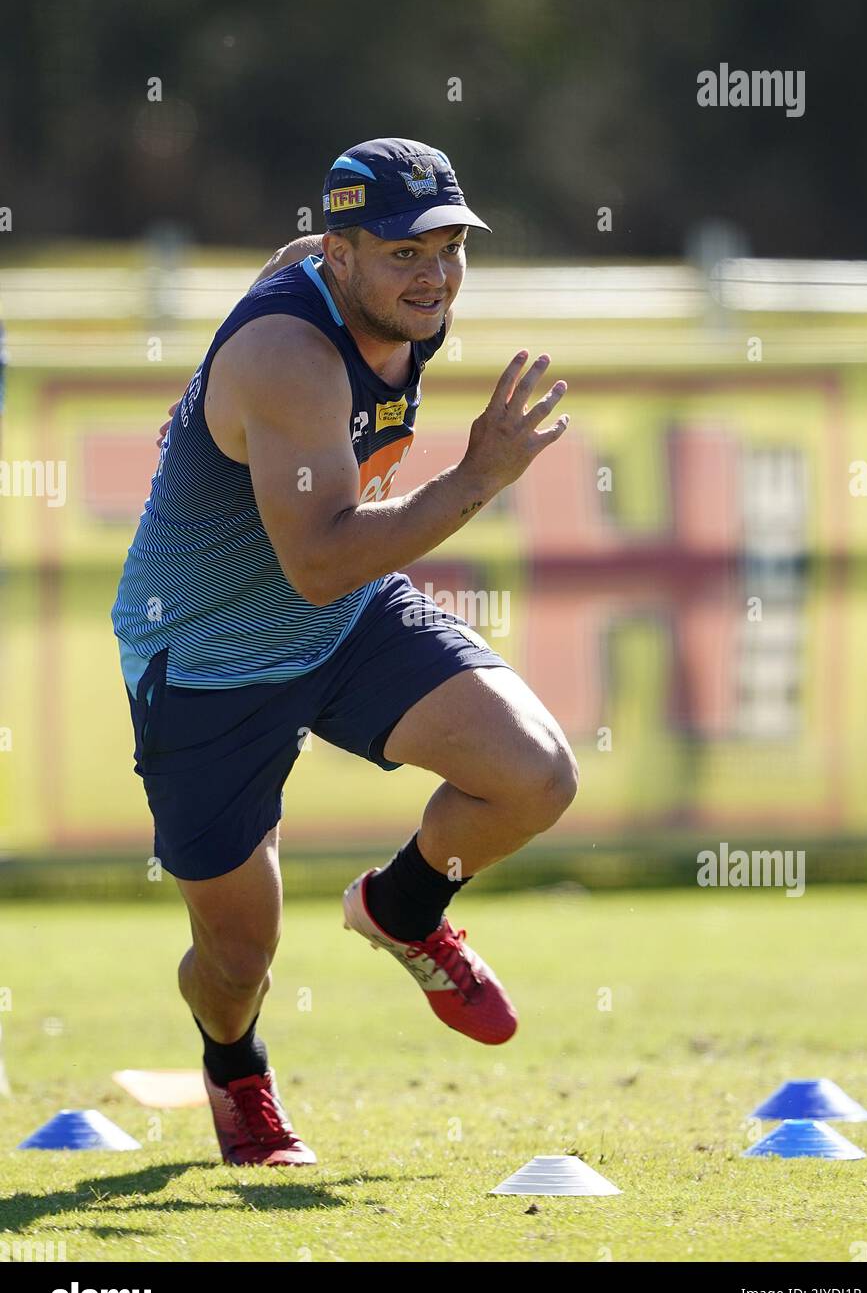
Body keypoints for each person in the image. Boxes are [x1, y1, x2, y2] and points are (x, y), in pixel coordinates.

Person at [111, 137, 578, 1166]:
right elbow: (319, 557)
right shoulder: (290, 354)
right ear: (342, 254)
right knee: (238, 959)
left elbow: (327, 581)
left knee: (534, 775)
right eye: (407, 253)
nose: (437, 275)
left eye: (451, 247)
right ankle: (235, 1067)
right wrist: (476, 478)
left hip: (339, 617)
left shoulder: (362, 289)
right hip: (207, 659)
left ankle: (403, 907)